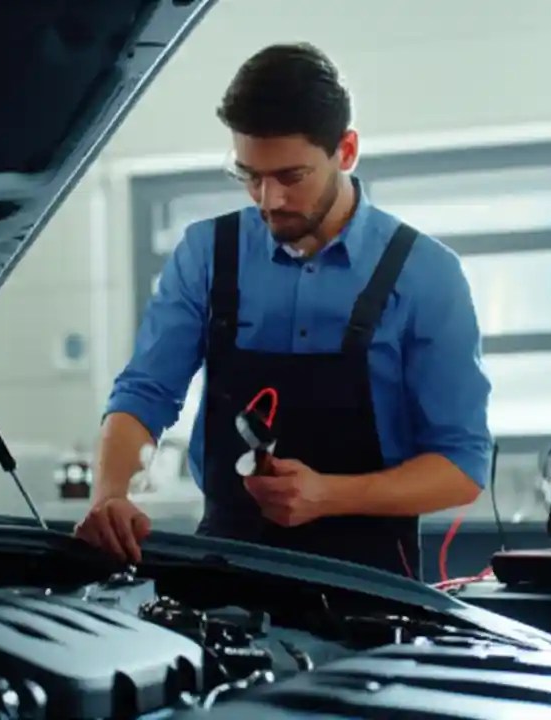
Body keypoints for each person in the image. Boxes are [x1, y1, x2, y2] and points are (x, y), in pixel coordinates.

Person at [73, 42, 493, 579]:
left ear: (346, 150)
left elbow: (461, 466)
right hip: (226, 572)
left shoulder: (426, 274)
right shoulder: (206, 255)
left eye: (291, 177)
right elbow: (143, 394)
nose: (268, 198)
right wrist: (110, 495)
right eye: (249, 175)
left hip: (374, 586)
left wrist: (329, 495)